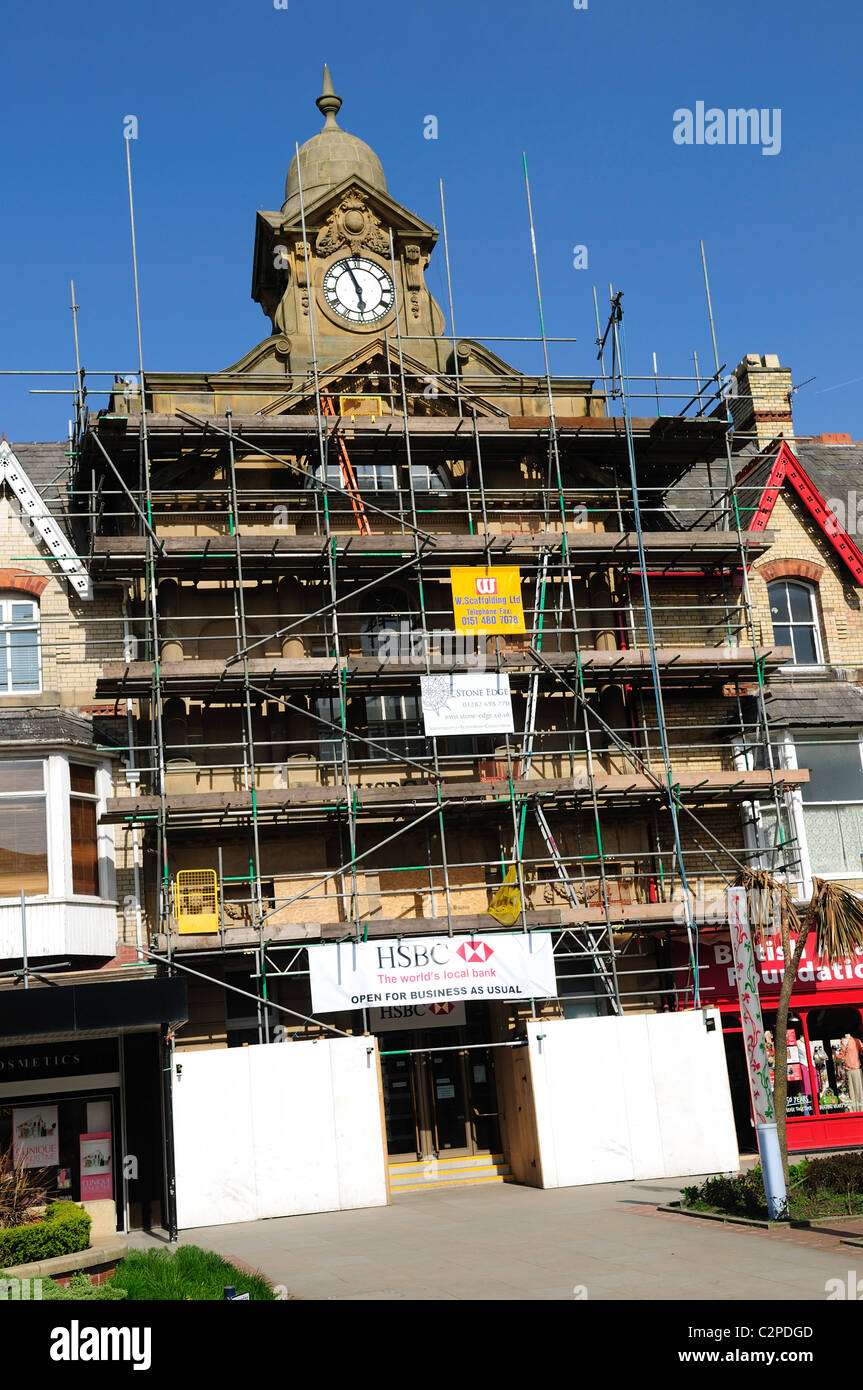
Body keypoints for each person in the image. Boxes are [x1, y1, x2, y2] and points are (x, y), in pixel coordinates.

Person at [840, 1033, 863, 1111]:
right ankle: (852, 1110)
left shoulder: (856, 1041)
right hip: (847, 1070)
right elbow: (841, 1055)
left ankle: (860, 1109)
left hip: (856, 1068)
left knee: (858, 1091)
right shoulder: (842, 1041)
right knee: (850, 1091)